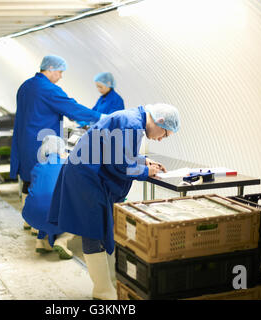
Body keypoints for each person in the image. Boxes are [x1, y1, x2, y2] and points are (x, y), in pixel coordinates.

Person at [48, 103, 180, 300]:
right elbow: (120, 164)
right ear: (160, 121)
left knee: (101, 231)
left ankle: (108, 283)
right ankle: (102, 290)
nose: (161, 139)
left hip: (87, 173)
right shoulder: (132, 124)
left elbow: (118, 152)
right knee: (93, 231)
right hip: (86, 176)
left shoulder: (132, 120)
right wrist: (146, 171)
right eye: (165, 134)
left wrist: (144, 161)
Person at [9, 55, 103, 233]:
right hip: (43, 144)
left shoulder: (25, 86)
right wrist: (100, 118)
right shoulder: (49, 89)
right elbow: (72, 108)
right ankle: (40, 226)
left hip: (24, 141)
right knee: (46, 182)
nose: (61, 76)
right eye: (60, 72)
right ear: (50, 68)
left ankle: (28, 219)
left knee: (29, 179)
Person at [21, 135, 75, 259]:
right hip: (51, 214)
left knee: (45, 206)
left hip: (30, 216)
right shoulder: (67, 166)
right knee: (78, 213)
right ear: (62, 150)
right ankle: (62, 241)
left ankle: (42, 241)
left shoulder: (37, 166)